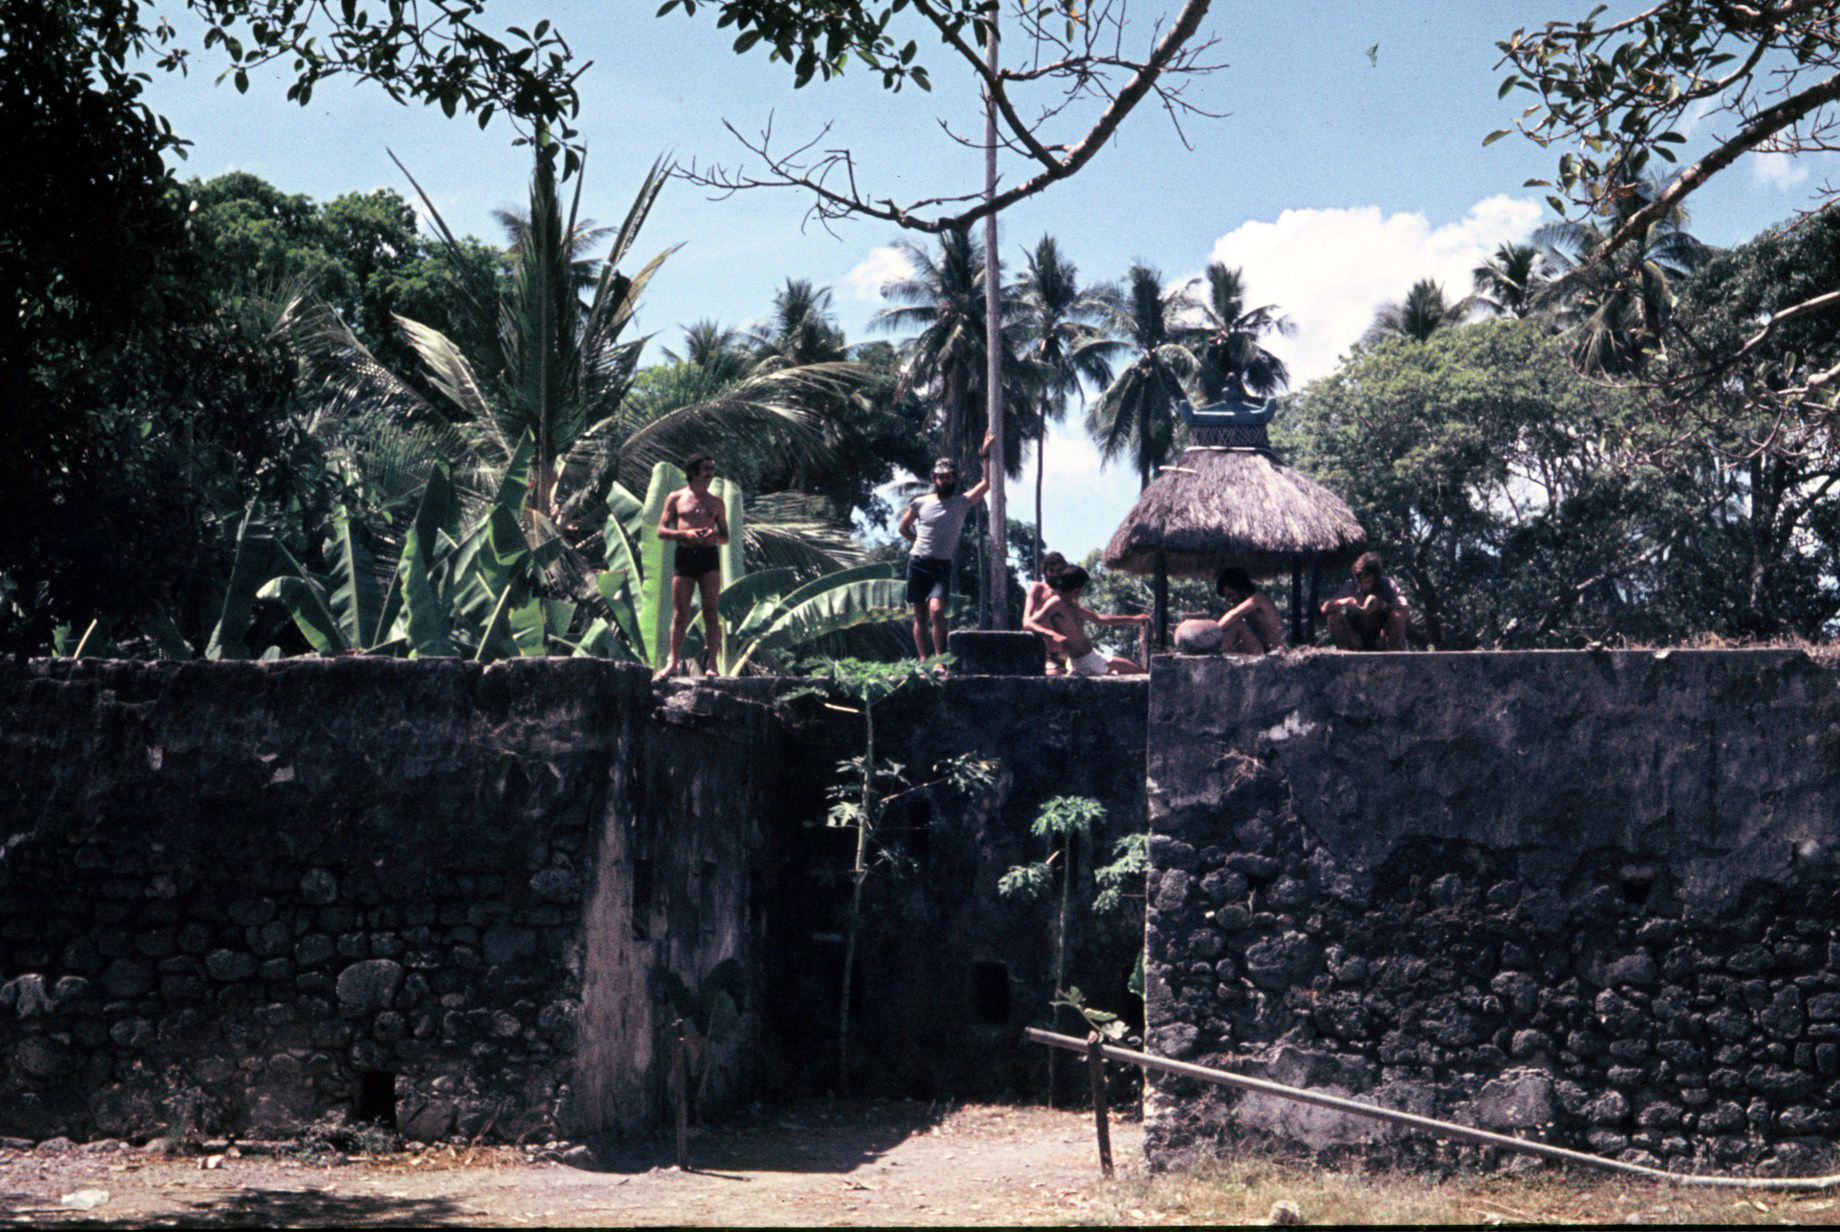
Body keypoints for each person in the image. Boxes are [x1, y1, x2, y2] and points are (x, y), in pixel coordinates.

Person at [898, 433, 993, 660]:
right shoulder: (921, 502)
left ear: (954, 478)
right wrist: (918, 543)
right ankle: (923, 660)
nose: (944, 481)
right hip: (918, 563)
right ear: (934, 479)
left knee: (937, 611)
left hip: (941, 566)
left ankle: (939, 659)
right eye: (940, 478)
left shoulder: (962, 503)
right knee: (920, 615)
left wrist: (985, 453)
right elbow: (903, 527)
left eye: (948, 477)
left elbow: (986, 483)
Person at [656, 452, 729, 678]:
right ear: (693, 471)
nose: (710, 474)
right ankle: (672, 663)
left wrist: (712, 536)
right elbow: (661, 531)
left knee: (710, 611)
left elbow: (725, 536)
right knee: (680, 613)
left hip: (708, 556)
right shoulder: (676, 498)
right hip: (685, 555)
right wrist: (684, 534)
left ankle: (713, 664)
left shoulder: (716, 502)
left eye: (711, 469)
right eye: (706, 468)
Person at [1023, 565, 1149, 676]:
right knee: (1131, 678)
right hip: (1082, 662)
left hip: (1094, 655)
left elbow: (1098, 619)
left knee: (1139, 672)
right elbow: (1028, 624)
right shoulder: (1055, 602)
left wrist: (1134, 619)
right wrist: (1052, 634)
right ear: (1077, 589)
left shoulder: (1072, 604)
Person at [1321, 551, 1407, 650]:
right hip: (1356, 639)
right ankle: (1344, 655)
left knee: (1398, 615)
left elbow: (1405, 609)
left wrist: (1383, 605)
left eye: (1368, 581)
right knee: (1333, 617)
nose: (1363, 586)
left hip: (1381, 639)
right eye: (1360, 581)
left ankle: (1393, 656)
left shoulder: (1387, 585)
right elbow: (1324, 608)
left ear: (1376, 578)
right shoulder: (1350, 586)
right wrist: (1343, 602)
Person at [1215, 567, 1286, 655]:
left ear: (1242, 589)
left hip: (1273, 654)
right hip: (1258, 650)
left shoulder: (1258, 599)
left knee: (1238, 624)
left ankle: (1211, 650)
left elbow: (1234, 614)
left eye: (1231, 595)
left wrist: (1212, 631)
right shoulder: (1244, 606)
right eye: (1227, 597)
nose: (1229, 600)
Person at [1023, 551, 1071, 674]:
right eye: (1051, 571)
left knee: (1124, 667)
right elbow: (1026, 623)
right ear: (1045, 571)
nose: (1055, 574)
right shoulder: (1038, 588)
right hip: (1046, 654)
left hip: (1070, 654)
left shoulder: (1069, 592)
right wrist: (1051, 634)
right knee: (1056, 679)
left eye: (1059, 570)